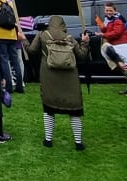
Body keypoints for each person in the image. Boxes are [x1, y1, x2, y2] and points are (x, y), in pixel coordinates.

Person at [28, 16, 90, 150]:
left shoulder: (42, 35)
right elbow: (81, 55)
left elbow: (32, 50)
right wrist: (85, 42)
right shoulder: (69, 38)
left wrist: (23, 40)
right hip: (70, 77)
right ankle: (78, 143)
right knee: (74, 110)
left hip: (49, 75)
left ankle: (48, 140)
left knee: (49, 109)